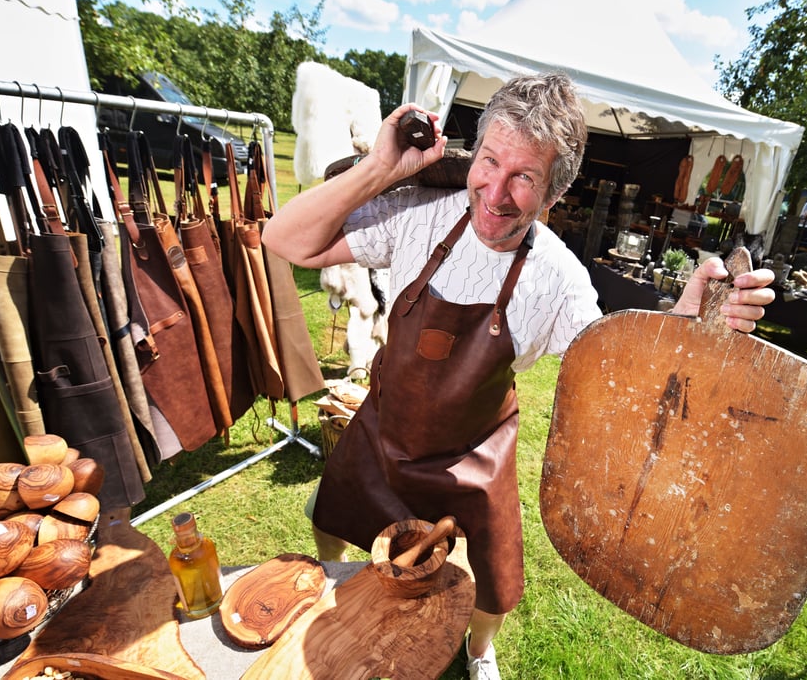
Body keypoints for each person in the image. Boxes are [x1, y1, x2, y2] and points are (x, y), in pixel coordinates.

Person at [262, 72, 775, 679]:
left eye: (524, 177)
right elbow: (285, 239)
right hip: (383, 430)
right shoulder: (417, 215)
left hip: (473, 459)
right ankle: (338, 586)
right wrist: (379, 167)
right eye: (490, 162)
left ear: (555, 191)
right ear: (473, 152)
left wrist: (684, 322)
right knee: (327, 514)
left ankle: (480, 652)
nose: (497, 193)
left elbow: (622, 376)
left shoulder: (558, 278)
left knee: (495, 584)